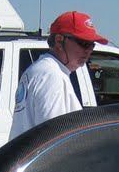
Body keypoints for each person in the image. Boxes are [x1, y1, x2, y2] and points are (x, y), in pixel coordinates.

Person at [8, 10, 107, 140]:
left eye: (92, 45)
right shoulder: (52, 76)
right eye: (84, 43)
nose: (88, 50)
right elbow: (54, 139)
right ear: (59, 41)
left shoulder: (39, 69)